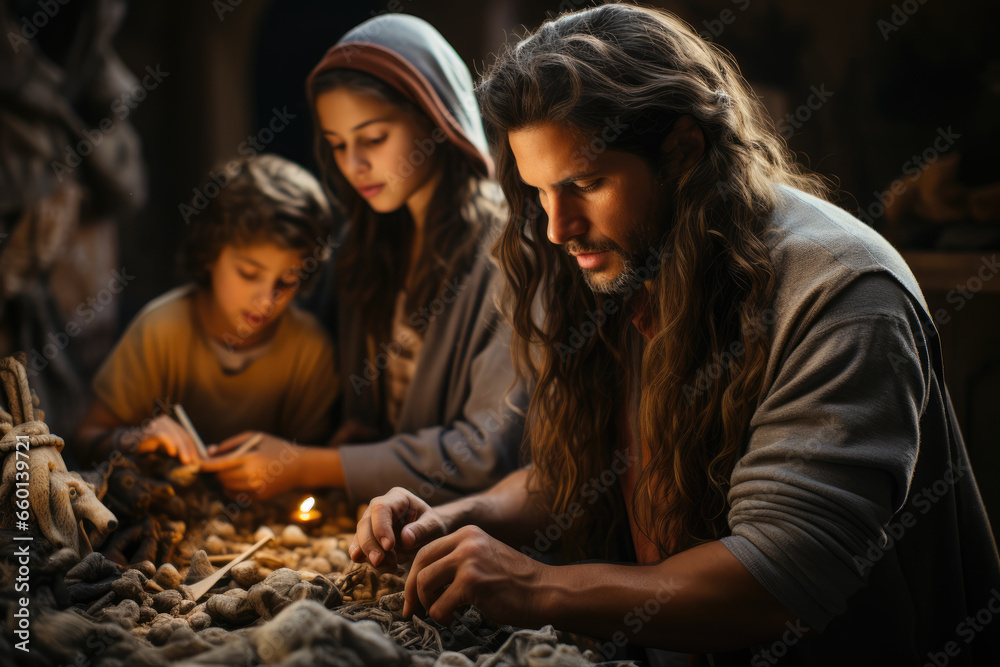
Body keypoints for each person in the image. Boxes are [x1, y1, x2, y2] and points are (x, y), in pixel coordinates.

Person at [348, 5, 1000, 665]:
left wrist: (534, 585)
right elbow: (587, 471)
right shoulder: (625, 258)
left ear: (683, 152)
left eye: (585, 184)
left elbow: (780, 581)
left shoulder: (844, 295)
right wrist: (458, 519)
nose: (556, 227)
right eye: (540, 193)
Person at [202, 14, 527, 506]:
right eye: (337, 146)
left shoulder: (511, 252)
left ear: (435, 118)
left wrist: (311, 465)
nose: (354, 164)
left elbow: (487, 451)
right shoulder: (365, 243)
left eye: (373, 139)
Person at [75, 154, 339, 466]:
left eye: (287, 281)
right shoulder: (160, 330)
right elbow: (84, 440)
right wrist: (136, 439)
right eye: (248, 274)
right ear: (211, 254)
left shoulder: (308, 351)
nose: (267, 300)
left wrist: (287, 467)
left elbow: (316, 465)